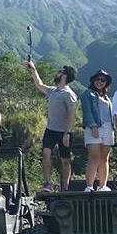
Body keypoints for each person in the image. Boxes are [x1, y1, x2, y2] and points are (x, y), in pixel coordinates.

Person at [24, 60, 78, 192]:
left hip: (64, 132)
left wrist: (67, 133)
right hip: (51, 130)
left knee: (65, 160)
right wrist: (33, 70)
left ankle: (65, 187)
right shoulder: (53, 91)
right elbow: (39, 85)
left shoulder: (69, 94)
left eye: (60, 72)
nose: (58, 73)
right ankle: (47, 183)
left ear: (64, 76)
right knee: (46, 153)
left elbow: (72, 115)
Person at [81, 69, 115, 192]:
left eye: (103, 80)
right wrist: (93, 126)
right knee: (94, 157)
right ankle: (89, 186)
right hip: (94, 127)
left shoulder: (106, 97)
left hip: (108, 128)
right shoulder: (87, 94)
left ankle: (103, 185)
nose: (100, 82)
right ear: (93, 81)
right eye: (97, 79)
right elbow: (87, 111)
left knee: (104, 158)